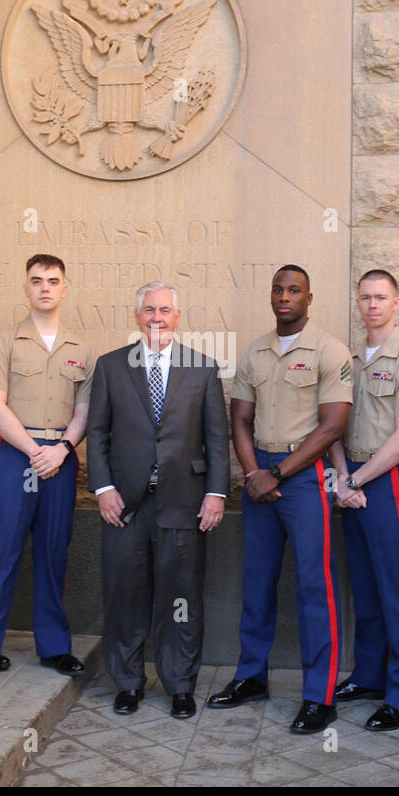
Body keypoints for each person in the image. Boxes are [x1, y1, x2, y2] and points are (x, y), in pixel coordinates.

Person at [208, 265, 353, 734]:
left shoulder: (329, 351)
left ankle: (320, 695)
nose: (284, 296)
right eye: (278, 289)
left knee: (315, 588)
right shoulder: (255, 351)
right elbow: (240, 422)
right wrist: (253, 473)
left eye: (294, 290)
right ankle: (251, 676)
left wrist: (277, 474)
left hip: (304, 478)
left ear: (310, 297)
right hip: (260, 479)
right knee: (257, 582)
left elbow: (332, 425)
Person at [86, 281, 229, 719]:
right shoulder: (111, 366)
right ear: (137, 316)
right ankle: (128, 683)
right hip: (125, 507)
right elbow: (96, 433)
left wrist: (216, 493)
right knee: (125, 596)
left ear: (177, 317)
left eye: (165, 311)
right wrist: (103, 488)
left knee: (180, 599)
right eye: (149, 310)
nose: (157, 318)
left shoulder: (202, 368)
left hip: (184, 504)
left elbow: (216, 438)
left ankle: (180, 685)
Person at [0, 254, 94, 691]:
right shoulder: (3, 343)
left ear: (64, 288)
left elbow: (83, 410)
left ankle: (54, 645)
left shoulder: (81, 349)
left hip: (59, 458)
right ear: (26, 288)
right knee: (1, 554)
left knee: (53, 553)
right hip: (14, 457)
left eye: (53, 281)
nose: (44, 287)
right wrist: (32, 449)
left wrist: (60, 449)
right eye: (36, 280)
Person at [328, 269, 399, 732]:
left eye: (381, 297)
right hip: (353, 477)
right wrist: (341, 475)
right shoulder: (350, 360)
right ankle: (369, 675)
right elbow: (335, 424)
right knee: (366, 588)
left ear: (397, 303)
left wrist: (356, 481)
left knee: (397, 590)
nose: (372, 304)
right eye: (365, 297)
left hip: (387, 482)